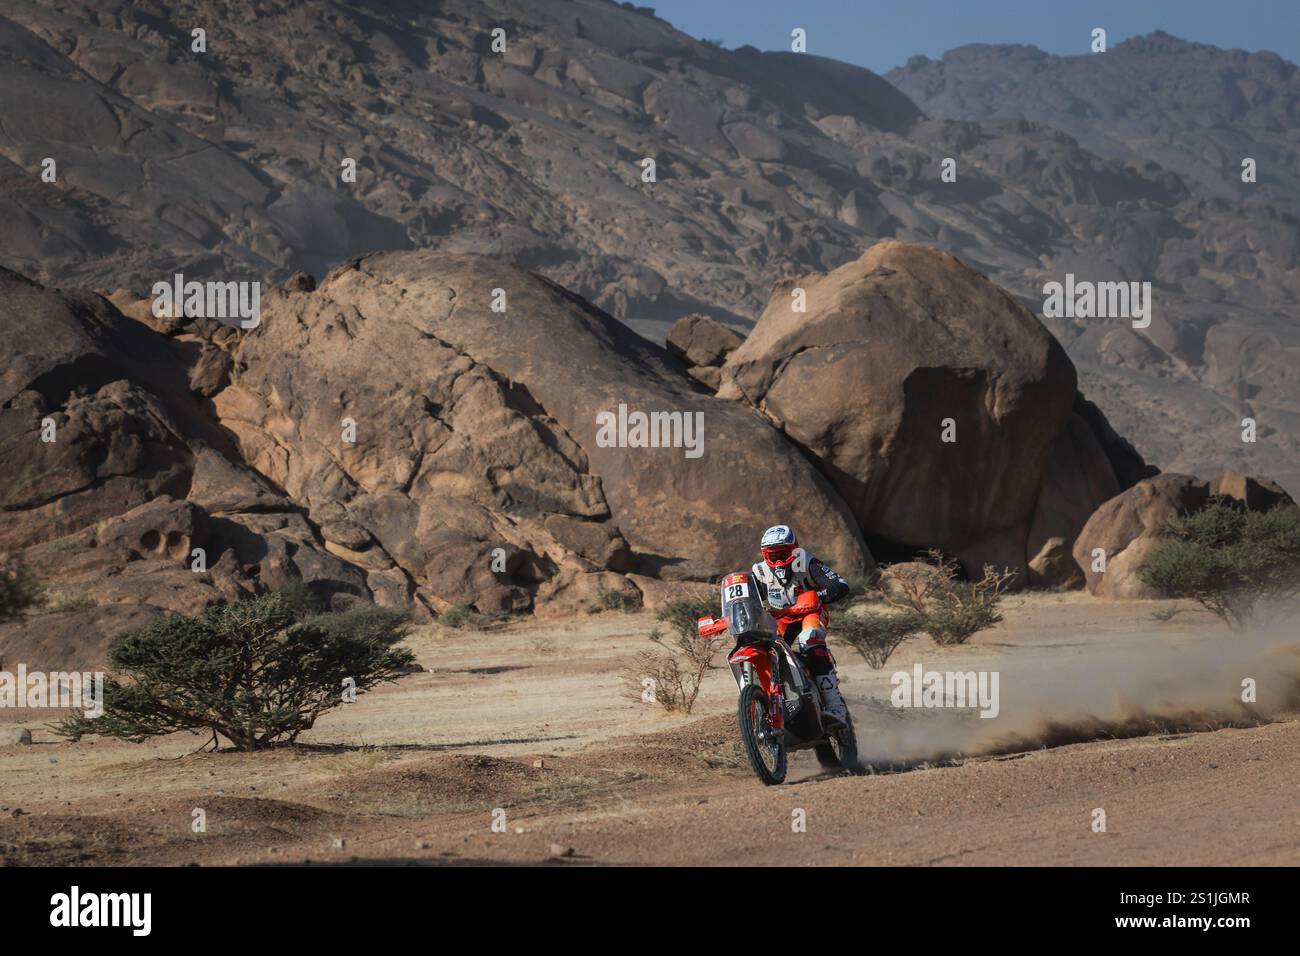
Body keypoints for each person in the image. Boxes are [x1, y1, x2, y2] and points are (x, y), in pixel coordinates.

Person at [749, 524, 850, 724]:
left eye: (783, 553)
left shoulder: (808, 562)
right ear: (764, 554)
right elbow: (750, 600)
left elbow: (840, 586)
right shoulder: (759, 571)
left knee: (810, 640)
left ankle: (835, 705)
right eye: (772, 555)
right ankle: (776, 704)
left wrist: (815, 596)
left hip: (810, 613)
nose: (778, 560)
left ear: (794, 550)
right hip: (781, 617)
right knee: (764, 650)